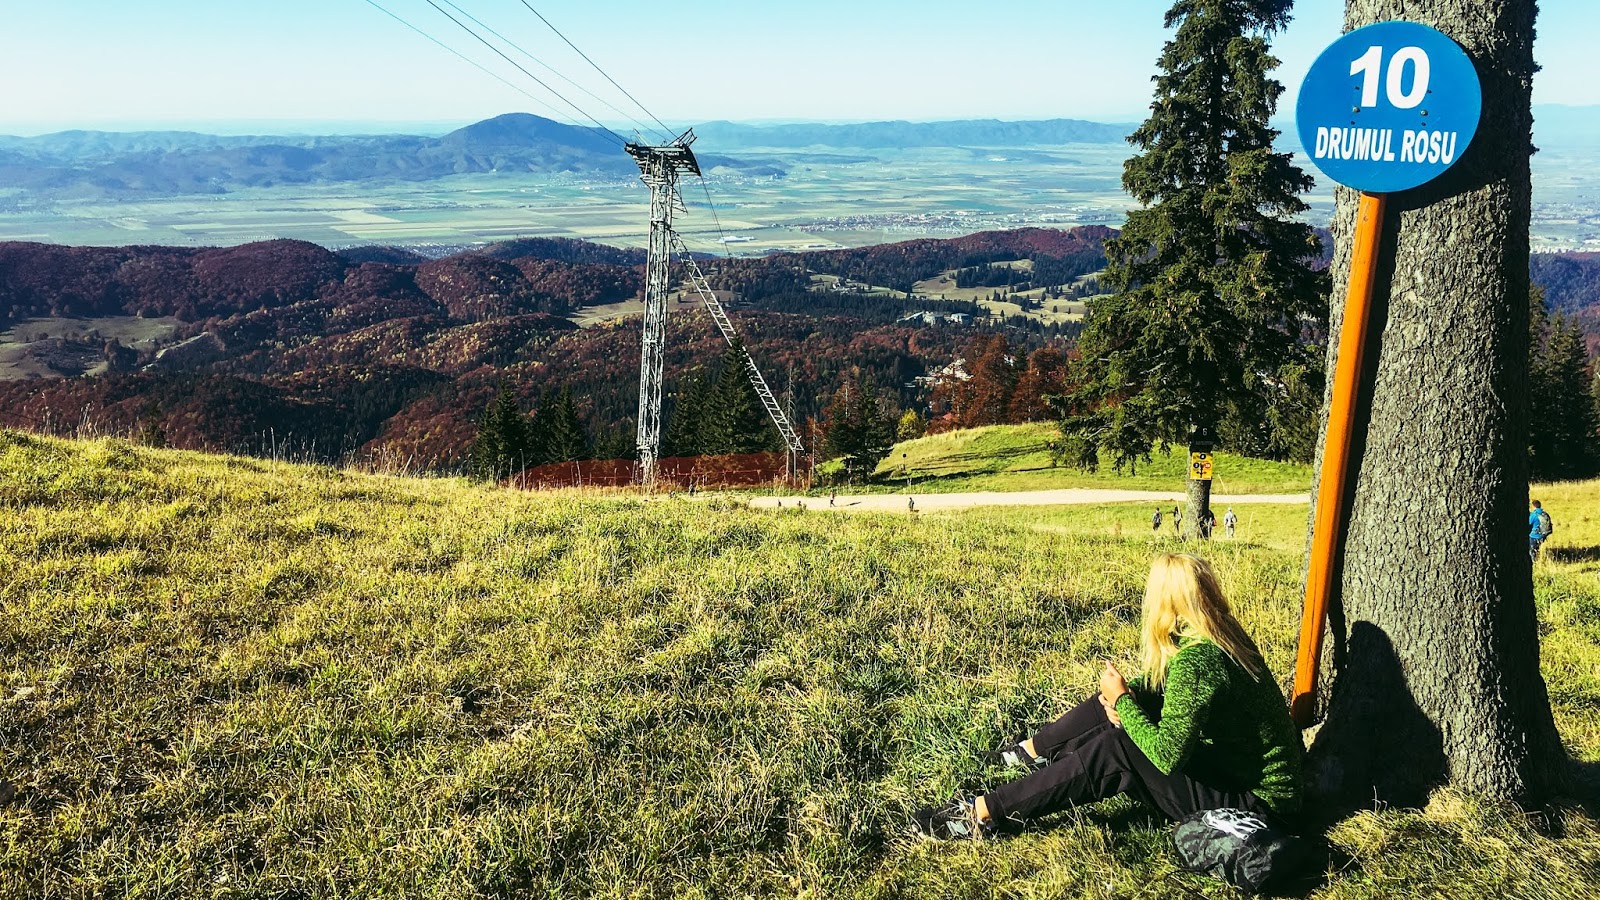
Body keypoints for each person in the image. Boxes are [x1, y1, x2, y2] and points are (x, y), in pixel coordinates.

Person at [914, 553, 1303, 840]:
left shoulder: (1199, 661)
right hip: (1247, 779)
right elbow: (1167, 690)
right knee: (1130, 698)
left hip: (1258, 809)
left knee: (1119, 748)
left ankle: (983, 813)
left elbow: (1167, 756)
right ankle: (1030, 752)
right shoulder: (1222, 635)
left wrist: (1122, 705)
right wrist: (1124, 696)